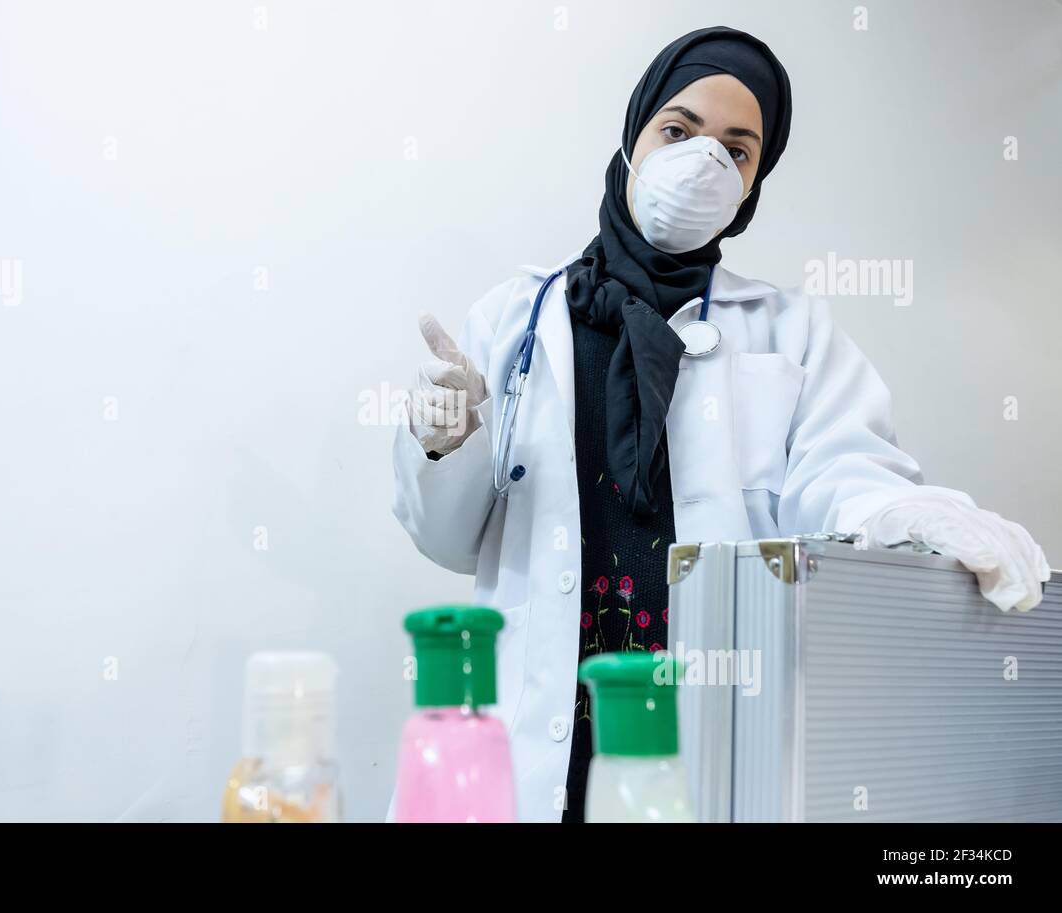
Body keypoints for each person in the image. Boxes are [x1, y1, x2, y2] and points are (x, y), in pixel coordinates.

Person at [390, 26, 1051, 824]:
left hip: (713, 724)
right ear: (634, 140)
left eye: (737, 151)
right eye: (679, 130)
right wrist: (446, 439)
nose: (704, 162)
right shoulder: (518, 317)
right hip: (542, 739)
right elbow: (449, 539)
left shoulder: (787, 329)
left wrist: (900, 514)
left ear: (754, 184)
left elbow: (837, 474)